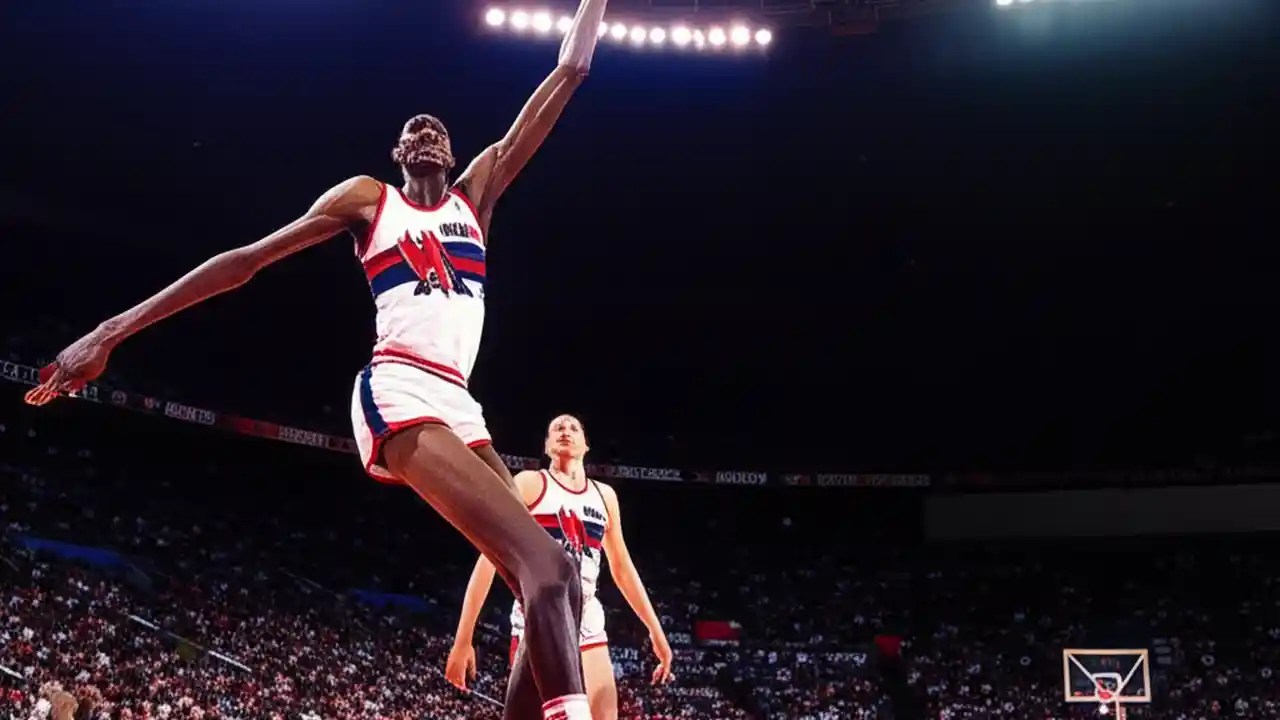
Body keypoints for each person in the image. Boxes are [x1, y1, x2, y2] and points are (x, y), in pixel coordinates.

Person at [23, 0, 611, 716]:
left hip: (462, 404)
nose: (425, 130)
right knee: (546, 568)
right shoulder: (369, 201)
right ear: (400, 156)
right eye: (411, 129)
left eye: (438, 129)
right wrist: (110, 332)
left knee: (558, 583)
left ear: (452, 156)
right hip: (398, 389)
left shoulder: (477, 195)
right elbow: (245, 262)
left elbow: (572, 66)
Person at [445, 414, 674, 720]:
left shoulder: (605, 496)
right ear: (546, 445)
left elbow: (622, 567)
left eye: (573, 427)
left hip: (586, 612)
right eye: (557, 428)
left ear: (586, 445)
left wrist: (656, 632)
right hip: (540, 612)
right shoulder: (529, 483)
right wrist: (463, 640)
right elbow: (489, 557)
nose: (565, 431)